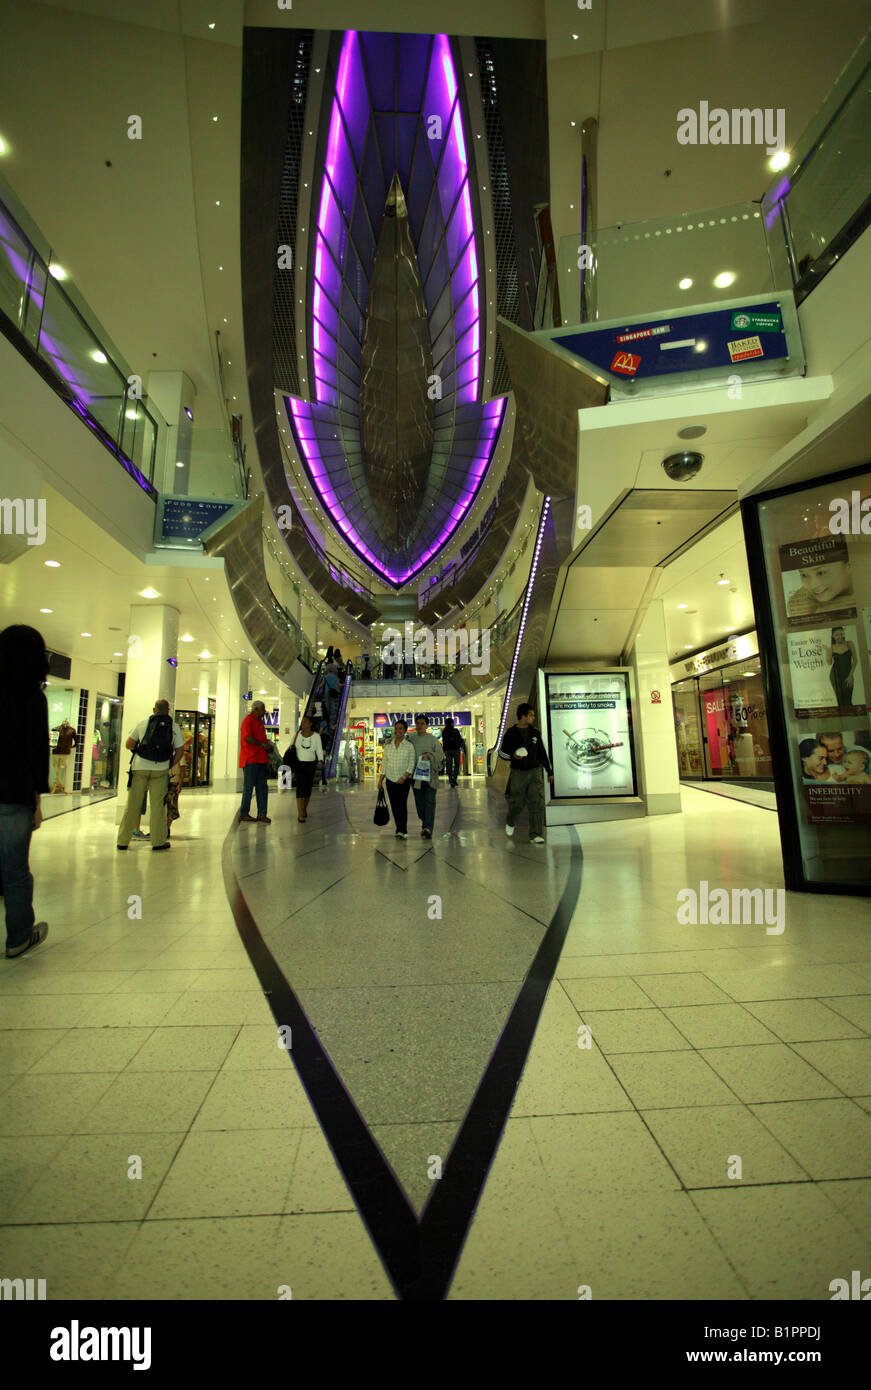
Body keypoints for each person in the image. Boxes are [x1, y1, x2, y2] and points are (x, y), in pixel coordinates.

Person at [0, 625, 50, 958]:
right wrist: (36, 798)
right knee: (15, 870)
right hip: (13, 792)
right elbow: (36, 750)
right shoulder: (32, 697)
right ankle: (18, 937)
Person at [117, 700, 185, 850]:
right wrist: (169, 764)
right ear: (168, 711)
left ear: (154, 709)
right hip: (160, 770)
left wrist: (140, 752)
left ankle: (123, 840)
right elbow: (180, 750)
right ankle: (158, 841)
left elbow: (129, 743)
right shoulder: (173, 727)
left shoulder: (143, 723)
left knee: (133, 804)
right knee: (158, 806)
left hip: (140, 768)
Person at [499, 703, 553, 844]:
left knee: (536, 801)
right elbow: (502, 753)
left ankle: (536, 834)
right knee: (518, 802)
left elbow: (541, 752)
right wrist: (513, 755)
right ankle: (511, 820)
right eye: (531, 715)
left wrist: (549, 771)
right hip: (518, 773)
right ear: (523, 716)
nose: (533, 718)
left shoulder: (535, 732)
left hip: (535, 771)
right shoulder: (511, 733)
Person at [407, 713, 445, 839]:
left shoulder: (433, 740)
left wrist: (429, 756)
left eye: (422, 723)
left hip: (430, 776)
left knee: (430, 802)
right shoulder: (411, 739)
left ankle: (428, 828)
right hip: (415, 777)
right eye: (418, 723)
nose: (420, 726)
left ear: (427, 725)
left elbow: (441, 756)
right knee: (419, 804)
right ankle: (426, 823)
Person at [378, 719, 415, 838]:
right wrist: (380, 780)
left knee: (402, 804)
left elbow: (411, 763)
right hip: (390, 780)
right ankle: (399, 828)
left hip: (404, 780)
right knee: (394, 805)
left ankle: (402, 830)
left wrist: (404, 777)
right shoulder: (388, 746)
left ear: (405, 731)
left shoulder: (409, 746)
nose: (398, 731)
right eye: (396, 728)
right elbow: (384, 763)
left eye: (401, 728)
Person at [238, 700, 271, 823]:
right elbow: (247, 738)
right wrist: (262, 745)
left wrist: (267, 746)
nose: (265, 711)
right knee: (249, 787)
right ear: (256, 709)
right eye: (263, 709)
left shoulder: (260, 722)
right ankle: (244, 813)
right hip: (250, 759)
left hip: (261, 759)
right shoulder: (248, 720)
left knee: (262, 788)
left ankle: (262, 813)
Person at [287, 714, 323, 822]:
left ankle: (304, 808)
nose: (302, 724)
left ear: (310, 724)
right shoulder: (297, 735)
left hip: (311, 764)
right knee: (300, 788)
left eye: (305, 722)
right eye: (302, 722)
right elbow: (291, 747)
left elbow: (319, 750)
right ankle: (300, 814)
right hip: (299, 764)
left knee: (307, 788)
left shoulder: (316, 736)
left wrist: (321, 760)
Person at [826, 628, 858, 708]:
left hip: (848, 674)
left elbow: (855, 661)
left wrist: (850, 676)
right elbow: (829, 663)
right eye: (837, 635)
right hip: (835, 676)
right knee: (840, 702)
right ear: (833, 636)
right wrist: (828, 651)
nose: (840, 636)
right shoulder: (832, 647)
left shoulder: (849, 643)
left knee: (848, 700)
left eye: (841, 634)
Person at [50, 718, 78, 794]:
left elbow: (76, 741)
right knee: (56, 767)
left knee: (61, 767)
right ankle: (58, 784)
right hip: (56, 751)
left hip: (65, 752)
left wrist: (71, 746)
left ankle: (56, 784)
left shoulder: (72, 730)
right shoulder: (55, 729)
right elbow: (51, 740)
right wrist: (51, 744)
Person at [165, 757, 184, 837]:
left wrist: (179, 784)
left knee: (172, 805)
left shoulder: (180, 755)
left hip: (174, 782)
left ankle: (167, 828)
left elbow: (183, 770)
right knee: (163, 806)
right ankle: (161, 828)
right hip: (163, 781)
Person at [441, 717, 463, 787]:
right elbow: (460, 740)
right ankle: (454, 778)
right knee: (457, 764)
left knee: (449, 765)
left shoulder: (444, 731)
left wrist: (444, 750)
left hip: (447, 750)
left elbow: (444, 741)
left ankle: (451, 780)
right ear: (452, 723)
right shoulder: (455, 731)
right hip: (455, 750)